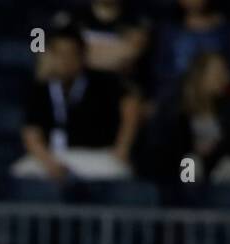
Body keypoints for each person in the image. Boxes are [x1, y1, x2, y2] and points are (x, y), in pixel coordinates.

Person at [12, 22, 140, 180]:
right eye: (59, 54)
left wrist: (123, 149)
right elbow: (31, 133)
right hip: (52, 156)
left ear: (81, 56)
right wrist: (48, 162)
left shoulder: (103, 82)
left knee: (119, 173)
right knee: (20, 173)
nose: (65, 61)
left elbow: (131, 106)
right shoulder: (41, 89)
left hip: (95, 156)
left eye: (70, 54)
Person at [150, 51, 230, 184]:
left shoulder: (229, 108)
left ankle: (221, 201)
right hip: (179, 173)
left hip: (216, 170)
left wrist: (213, 151)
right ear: (200, 75)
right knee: (190, 163)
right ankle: (190, 201)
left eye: (225, 72)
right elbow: (163, 149)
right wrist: (195, 150)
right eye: (219, 73)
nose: (226, 78)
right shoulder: (175, 107)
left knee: (229, 165)